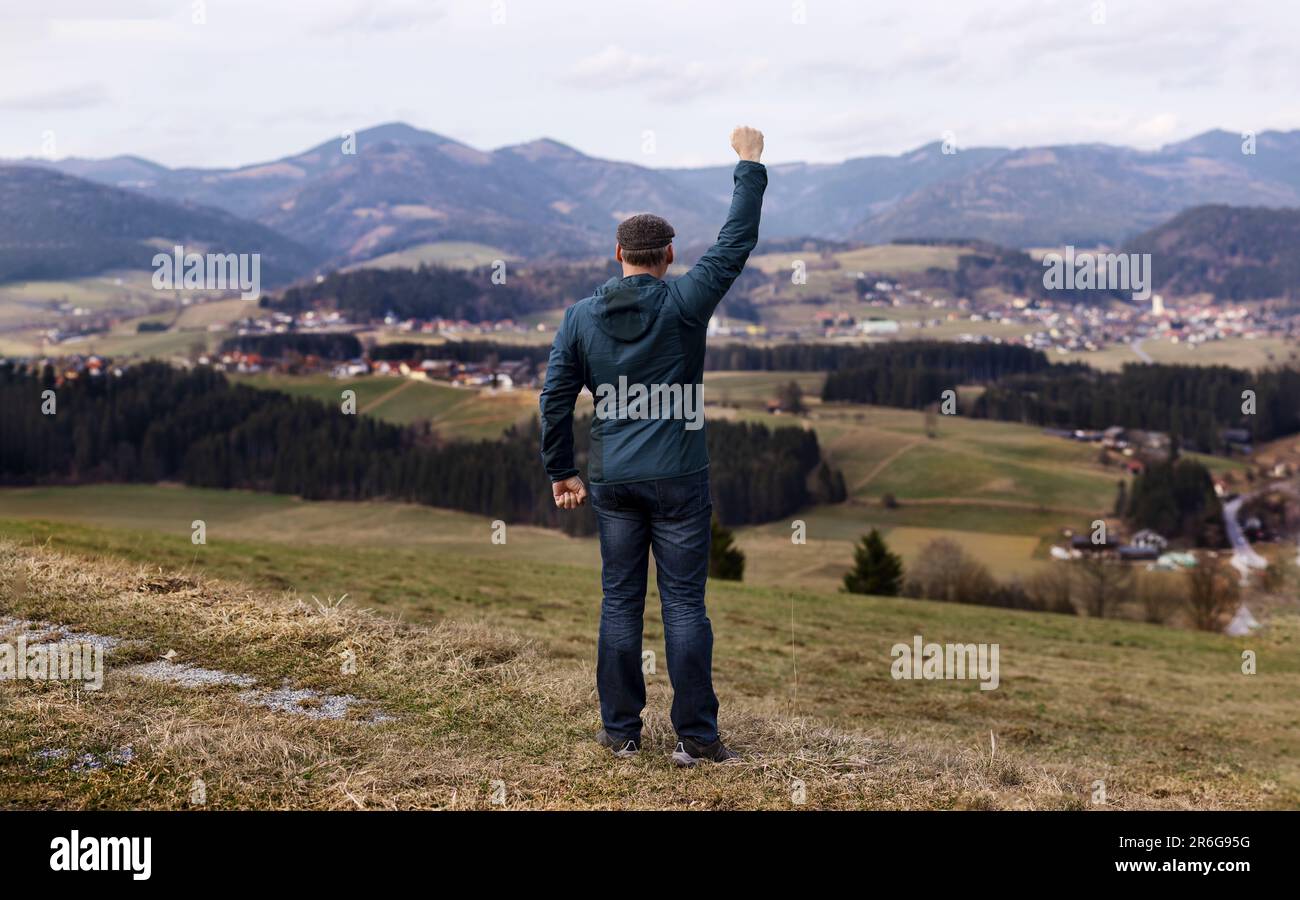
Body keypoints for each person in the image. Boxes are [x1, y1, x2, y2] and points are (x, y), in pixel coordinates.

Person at [539, 126, 767, 766]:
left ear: (618, 254)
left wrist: (562, 470)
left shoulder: (580, 318)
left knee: (619, 603)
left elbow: (556, 397)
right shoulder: (687, 302)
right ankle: (697, 740)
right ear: (669, 254)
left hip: (612, 481)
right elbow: (735, 242)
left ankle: (619, 738)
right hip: (680, 478)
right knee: (686, 607)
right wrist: (749, 162)